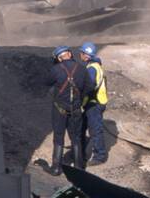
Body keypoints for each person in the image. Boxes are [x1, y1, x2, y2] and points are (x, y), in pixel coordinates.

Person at [46, 45, 88, 175]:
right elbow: (89, 87)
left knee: (58, 137)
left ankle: (56, 168)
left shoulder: (55, 69)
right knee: (75, 138)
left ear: (58, 58)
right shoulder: (82, 69)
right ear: (69, 54)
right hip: (76, 109)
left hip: (59, 110)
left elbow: (47, 82)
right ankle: (79, 168)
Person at [77, 41, 109, 165]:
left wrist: (79, 97)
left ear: (86, 55)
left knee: (95, 130)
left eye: (82, 52)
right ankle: (81, 153)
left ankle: (99, 156)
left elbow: (89, 87)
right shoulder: (95, 66)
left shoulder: (92, 69)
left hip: (94, 103)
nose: (80, 54)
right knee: (83, 127)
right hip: (95, 102)